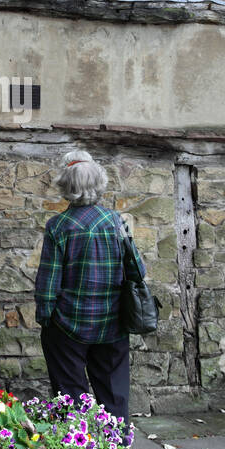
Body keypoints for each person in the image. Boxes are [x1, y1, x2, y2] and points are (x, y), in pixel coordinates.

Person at [34, 148, 147, 426]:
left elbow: (48, 286)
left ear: (66, 185)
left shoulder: (58, 227)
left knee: (70, 396)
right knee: (114, 395)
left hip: (68, 326)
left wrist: (45, 319)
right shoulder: (116, 222)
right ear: (98, 183)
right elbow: (138, 271)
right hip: (112, 323)